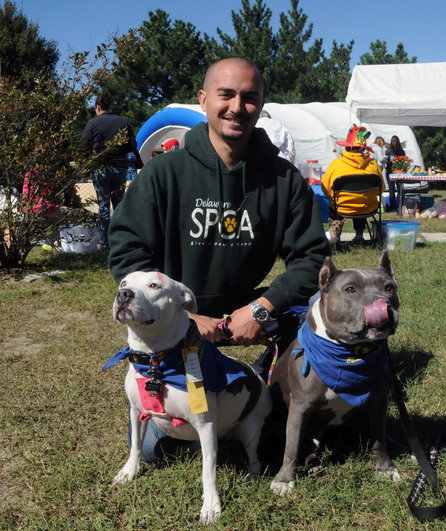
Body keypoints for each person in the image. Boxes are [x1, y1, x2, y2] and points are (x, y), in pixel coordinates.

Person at [107, 57, 330, 461]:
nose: (236, 107)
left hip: (248, 307)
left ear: (261, 105)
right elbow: (127, 247)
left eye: (250, 97)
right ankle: (191, 401)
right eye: (226, 94)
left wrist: (260, 309)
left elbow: (313, 259)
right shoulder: (163, 173)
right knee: (160, 451)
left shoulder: (283, 179)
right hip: (174, 313)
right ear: (204, 99)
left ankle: (284, 400)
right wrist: (184, 316)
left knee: (320, 307)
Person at [82, 91, 138, 249]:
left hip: (100, 169)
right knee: (119, 205)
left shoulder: (92, 123)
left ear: (98, 107)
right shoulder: (123, 121)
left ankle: (106, 243)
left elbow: (84, 146)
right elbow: (133, 146)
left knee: (103, 206)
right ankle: (121, 241)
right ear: (110, 106)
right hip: (120, 168)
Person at [322, 125, 385, 244]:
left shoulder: (336, 164)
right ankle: (359, 236)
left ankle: (336, 239)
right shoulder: (373, 164)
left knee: (336, 204)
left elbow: (325, 190)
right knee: (360, 201)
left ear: (347, 148)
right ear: (363, 148)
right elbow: (382, 189)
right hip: (368, 207)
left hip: (342, 208)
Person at [385, 135, 405, 211]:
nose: (393, 142)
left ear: (397, 142)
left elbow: (404, 161)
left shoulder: (401, 151)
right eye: (392, 141)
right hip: (389, 172)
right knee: (391, 190)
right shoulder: (388, 151)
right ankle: (392, 207)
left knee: (400, 189)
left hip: (398, 173)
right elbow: (386, 160)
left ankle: (401, 206)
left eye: (395, 141)